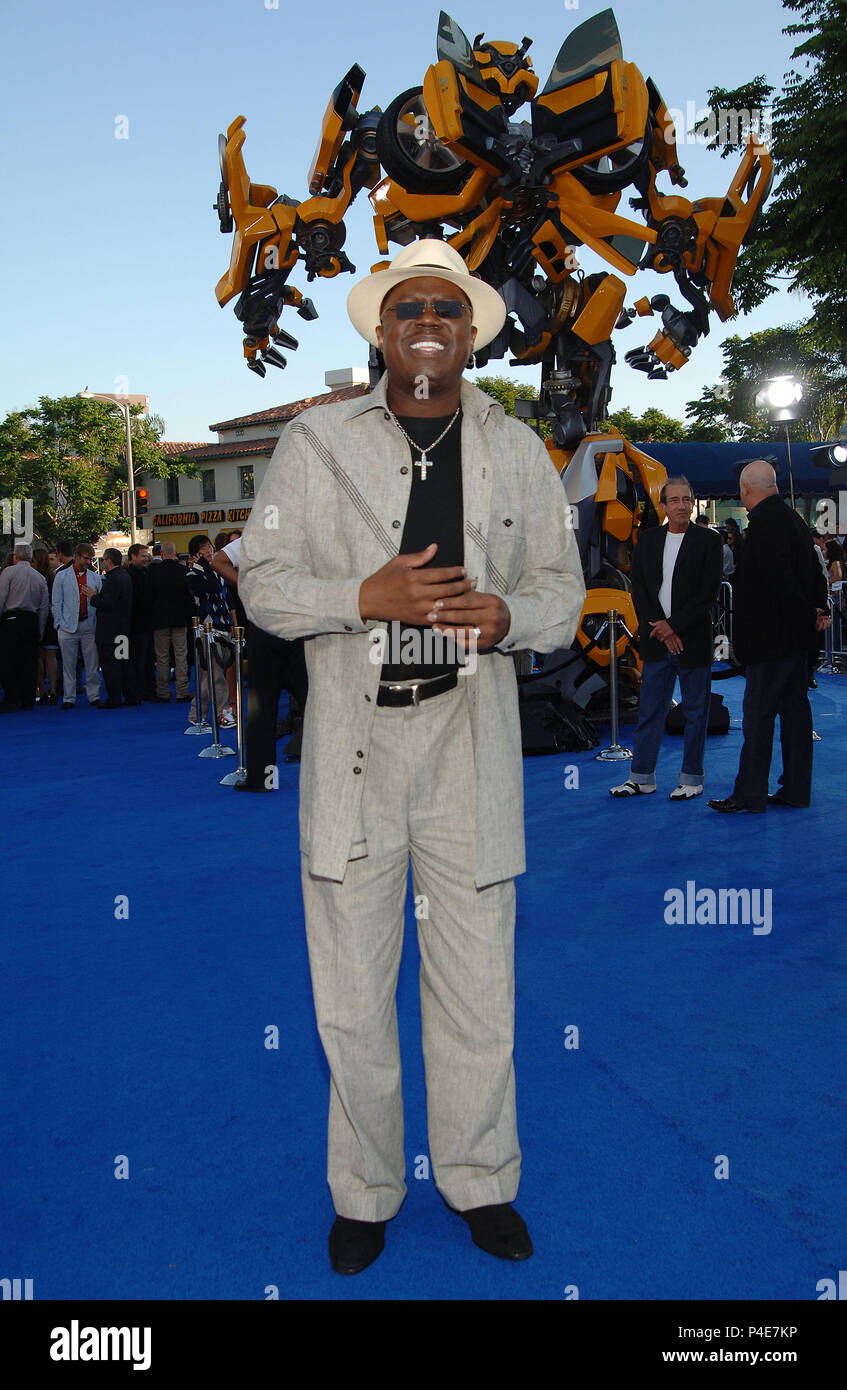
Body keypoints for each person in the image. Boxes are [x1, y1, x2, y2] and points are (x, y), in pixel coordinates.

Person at [239, 238, 584, 1274]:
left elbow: (563, 595)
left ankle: (480, 1180)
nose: (426, 320)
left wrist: (508, 612)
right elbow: (261, 578)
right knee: (349, 989)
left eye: (446, 306)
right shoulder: (312, 442)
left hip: (467, 743)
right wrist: (361, 597)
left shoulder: (517, 447)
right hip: (355, 745)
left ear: (470, 330)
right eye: (406, 307)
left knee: (478, 983)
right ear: (382, 330)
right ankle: (366, 1190)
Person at [708, 461, 829, 813]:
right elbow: (815, 573)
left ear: (746, 489)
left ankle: (749, 794)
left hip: (770, 641)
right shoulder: (793, 519)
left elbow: (778, 582)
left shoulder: (762, 524)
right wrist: (815, 611)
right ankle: (795, 789)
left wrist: (806, 612)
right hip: (795, 642)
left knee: (758, 717)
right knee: (795, 715)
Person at [610, 477, 722, 800]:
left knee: (696, 713)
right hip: (657, 640)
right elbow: (641, 588)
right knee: (649, 712)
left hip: (692, 641)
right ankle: (641, 777)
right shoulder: (647, 541)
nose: (682, 505)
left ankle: (692, 778)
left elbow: (707, 593)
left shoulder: (708, 542)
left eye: (687, 499)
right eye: (675, 500)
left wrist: (673, 627)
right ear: (663, 506)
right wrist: (661, 627)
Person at [211, 535, 308, 791]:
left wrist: (249, 586)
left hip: (265, 623)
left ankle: (261, 779)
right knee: (315, 705)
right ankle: (336, 773)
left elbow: (218, 561)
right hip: (299, 622)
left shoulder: (254, 536)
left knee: (260, 707)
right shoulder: (309, 532)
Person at [185, 535, 233, 725]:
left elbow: (227, 598)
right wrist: (205, 565)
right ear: (195, 554)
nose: (209, 550)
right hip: (207, 628)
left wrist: (232, 622)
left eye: (209, 547)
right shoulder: (192, 575)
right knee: (216, 675)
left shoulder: (217, 571)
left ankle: (196, 715)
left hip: (223, 625)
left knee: (209, 676)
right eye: (204, 549)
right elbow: (211, 589)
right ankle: (223, 713)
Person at [0, 544, 50, 712]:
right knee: (29, 662)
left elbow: (2, 598)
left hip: (11, 620)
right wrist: (41, 628)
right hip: (31, 620)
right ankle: (28, 699)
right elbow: (44, 607)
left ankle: (11, 699)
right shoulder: (39, 577)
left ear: (15, 557)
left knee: (9, 662)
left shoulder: (8, 573)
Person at [51, 543, 102, 707]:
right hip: (67, 626)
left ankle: (94, 695)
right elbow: (56, 602)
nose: (89, 562)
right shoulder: (61, 576)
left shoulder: (95, 577)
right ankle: (68, 698)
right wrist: (58, 624)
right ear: (77, 556)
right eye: (87, 558)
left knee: (92, 663)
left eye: (91, 559)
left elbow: (98, 600)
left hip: (88, 623)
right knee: (68, 664)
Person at [89, 548, 133, 707]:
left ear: (108, 560)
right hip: (123, 629)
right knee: (123, 663)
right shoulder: (124, 577)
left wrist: (93, 598)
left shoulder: (113, 580)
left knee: (110, 665)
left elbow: (108, 603)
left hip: (110, 631)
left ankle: (114, 698)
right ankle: (129, 696)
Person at [149, 540, 191, 702]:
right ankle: (182, 691)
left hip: (160, 620)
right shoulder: (183, 571)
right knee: (181, 656)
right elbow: (188, 597)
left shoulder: (153, 572)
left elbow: (150, 595)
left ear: (161, 554)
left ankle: (163, 692)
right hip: (179, 620)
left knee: (162, 657)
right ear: (175, 553)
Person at [125, 543, 155, 703]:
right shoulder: (129, 576)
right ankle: (139, 691)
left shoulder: (146, 573)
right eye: (143, 555)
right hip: (135, 626)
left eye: (147, 555)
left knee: (148, 660)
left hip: (146, 625)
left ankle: (146, 690)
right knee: (138, 660)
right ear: (133, 557)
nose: (146, 558)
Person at [31, 548, 60, 704]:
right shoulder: (53, 576)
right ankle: (53, 690)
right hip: (51, 619)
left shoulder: (34, 577)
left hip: (36, 617)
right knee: (51, 656)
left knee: (38, 657)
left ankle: (42, 690)